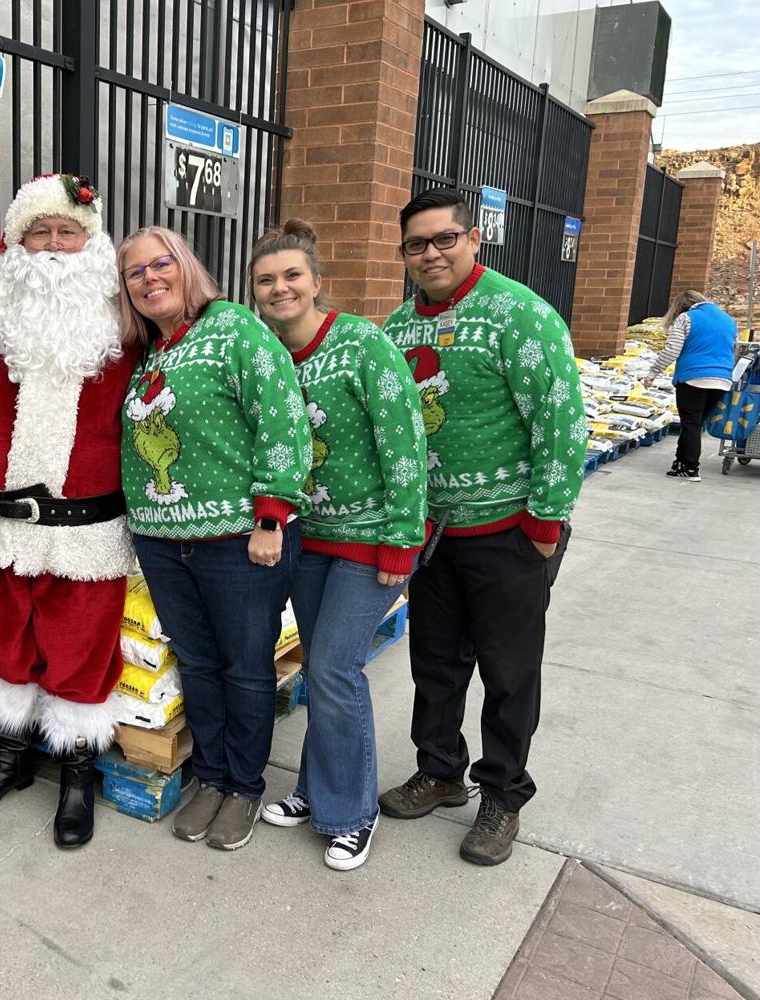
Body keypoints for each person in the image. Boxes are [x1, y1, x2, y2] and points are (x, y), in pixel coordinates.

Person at [378, 188, 586, 866]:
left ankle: (502, 794)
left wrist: (544, 523)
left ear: (473, 239)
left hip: (508, 532)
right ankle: (440, 771)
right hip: (432, 535)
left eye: (445, 238)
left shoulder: (518, 315)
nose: (431, 253)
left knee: (508, 672)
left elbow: (560, 421)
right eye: (417, 243)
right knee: (435, 665)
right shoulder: (398, 328)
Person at [0, 174, 138, 849]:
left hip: (89, 523)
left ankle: (76, 776)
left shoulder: (125, 319)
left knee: (81, 646)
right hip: (5, 520)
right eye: (41, 232)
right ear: (16, 240)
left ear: (92, 243)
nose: (54, 245)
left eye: (68, 232)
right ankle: (9, 758)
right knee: (2, 638)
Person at [117, 227, 311, 852]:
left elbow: (280, 415)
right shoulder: (147, 353)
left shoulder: (234, 328)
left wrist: (271, 514)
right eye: (135, 273)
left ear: (186, 267)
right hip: (162, 539)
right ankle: (210, 775)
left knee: (246, 668)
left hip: (237, 539)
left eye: (161, 264)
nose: (150, 279)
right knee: (197, 663)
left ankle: (244, 786)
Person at [248, 220, 428, 871]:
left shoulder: (361, 344)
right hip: (306, 540)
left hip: (368, 539)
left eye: (291, 275)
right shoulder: (265, 355)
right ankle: (314, 789)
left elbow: (403, 439)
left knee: (332, 669)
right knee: (321, 668)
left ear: (316, 281)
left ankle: (352, 813)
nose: (280, 288)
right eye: (266, 280)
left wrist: (402, 539)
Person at [643, 289, 738, 482]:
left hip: (693, 377)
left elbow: (672, 349)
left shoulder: (686, 318)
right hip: (722, 379)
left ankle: (689, 468)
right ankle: (680, 462)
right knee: (695, 423)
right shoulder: (729, 320)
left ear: (680, 307)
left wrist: (653, 372)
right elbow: (733, 349)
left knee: (691, 423)